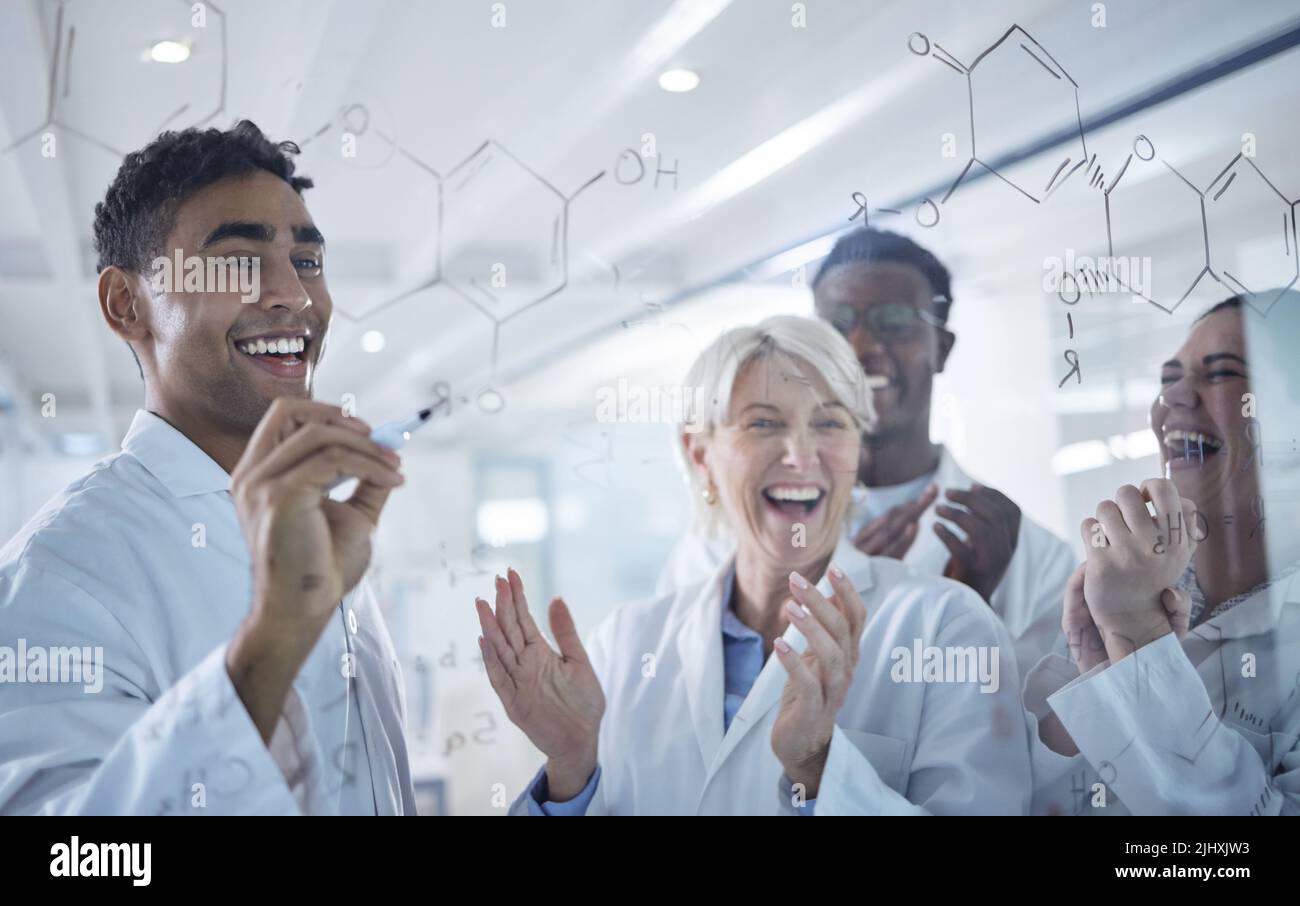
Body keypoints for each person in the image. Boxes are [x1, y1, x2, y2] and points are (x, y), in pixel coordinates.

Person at [0, 122, 413, 814]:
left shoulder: (323, 532)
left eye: (307, 262)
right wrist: (272, 642)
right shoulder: (57, 579)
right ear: (126, 304)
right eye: (239, 261)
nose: (294, 295)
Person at [476, 316, 1030, 815]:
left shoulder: (948, 629)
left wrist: (818, 768)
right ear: (700, 455)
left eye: (830, 423)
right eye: (763, 424)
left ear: (858, 450)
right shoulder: (625, 646)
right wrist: (572, 767)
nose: (799, 454)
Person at [658, 229, 1075, 673]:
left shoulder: (1033, 554)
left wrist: (969, 610)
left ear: (942, 349)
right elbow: (691, 704)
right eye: (837, 324)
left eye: (894, 322)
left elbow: (1040, 731)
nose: (858, 348)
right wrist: (835, 580)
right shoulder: (723, 539)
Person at [1026, 295, 1300, 815]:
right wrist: (1111, 668)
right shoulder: (1112, 597)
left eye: (1220, 374)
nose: (1172, 397)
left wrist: (1142, 643)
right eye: (1168, 377)